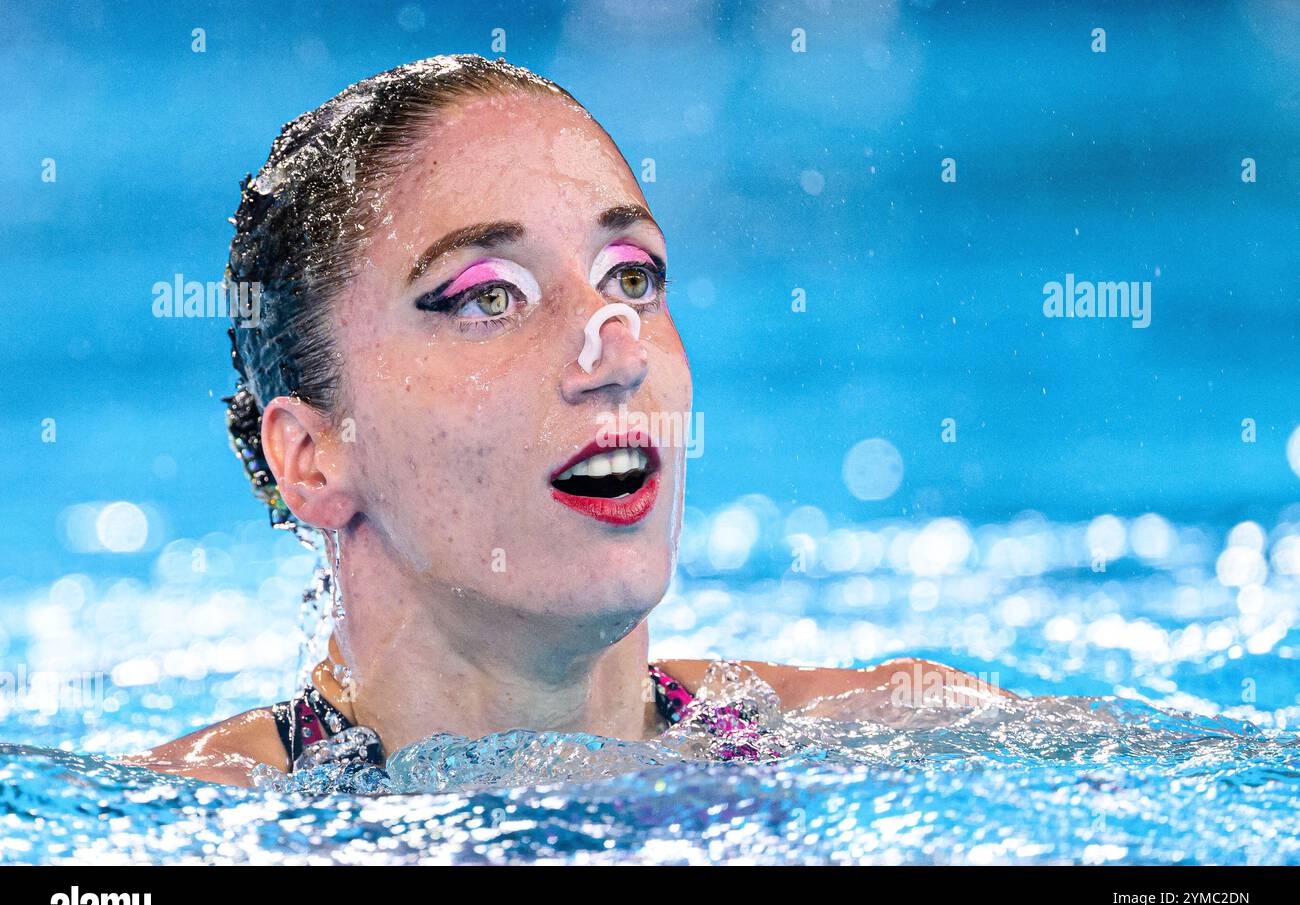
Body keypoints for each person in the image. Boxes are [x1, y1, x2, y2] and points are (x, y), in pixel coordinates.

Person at [129, 55, 1007, 787]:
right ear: (313, 455)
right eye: (488, 296)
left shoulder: (909, 739)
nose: (616, 350)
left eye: (631, 277)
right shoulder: (172, 823)